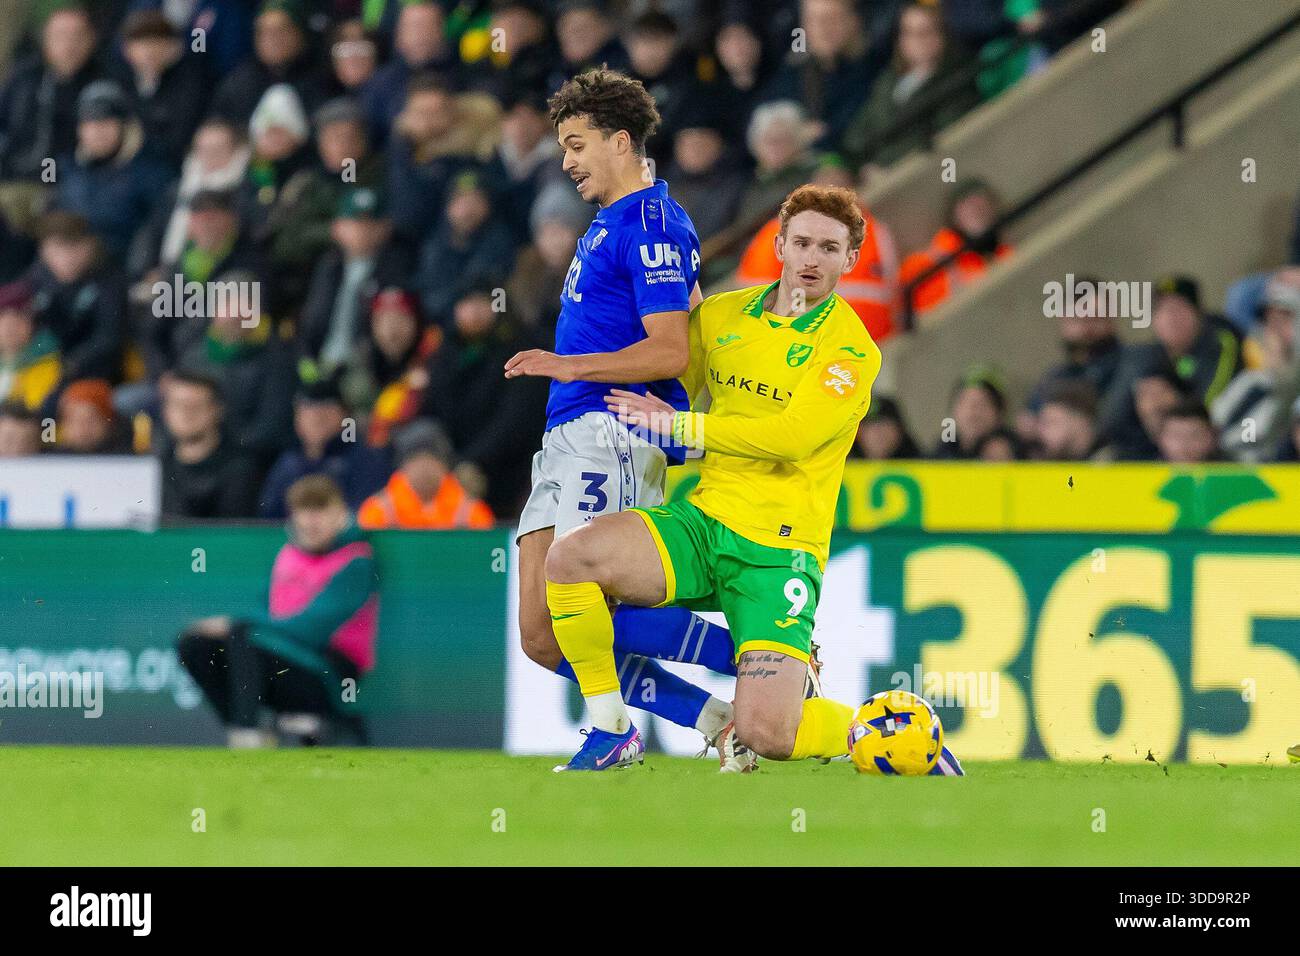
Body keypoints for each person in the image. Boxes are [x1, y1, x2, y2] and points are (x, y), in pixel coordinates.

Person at [543, 184, 888, 773]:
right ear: (777, 245)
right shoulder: (723, 318)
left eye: (828, 248)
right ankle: (612, 730)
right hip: (702, 525)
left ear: (849, 260)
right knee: (572, 562)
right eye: (800, 242)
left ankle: (869, 728)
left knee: (768, 735)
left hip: (778, 551)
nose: (811, 258)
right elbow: (664, 373)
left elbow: (791, 438)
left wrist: (685, 428)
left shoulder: (850, 350)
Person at [505, 68, 747, 758]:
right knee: (540, 634)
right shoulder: (616, 222)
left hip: (610, 429)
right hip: (566, 434)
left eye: (577, 144)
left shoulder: (653, 224)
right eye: (562, 147)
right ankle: (718, 720)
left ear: (619, 141)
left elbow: (669, 349)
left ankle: (758, 657)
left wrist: (571, 366)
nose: (567, 161)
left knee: (585, 601)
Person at [177, 474, 377, 748]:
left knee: (241, 633)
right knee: (196, 645)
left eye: (320, 510)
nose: (311, 521)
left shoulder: (356, 562)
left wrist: (239, 622)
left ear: (340, 513)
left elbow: (311, 629)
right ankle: (249, 728)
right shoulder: (287, 555)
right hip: (280, 663)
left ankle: (246, 734)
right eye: (303, 512)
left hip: (328, 674)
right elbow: (266, 610)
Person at [259, 378, 392, 519]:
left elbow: (366, 515)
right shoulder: (287, 463)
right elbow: (269, 517)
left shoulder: (365, 461)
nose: (316, 418)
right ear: (296, 419)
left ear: (345, 416)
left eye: (326, 410)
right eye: (307, 411)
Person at [158, 368, 263, 519]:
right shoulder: (157, 464)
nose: (186, 414)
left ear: (217, 410)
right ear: (165, 411)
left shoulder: (241, 469)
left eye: (195, 406)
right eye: (178, 404)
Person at [898, 178, 1012, 317]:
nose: (977, 210)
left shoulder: (1006, 256)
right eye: (970, 207)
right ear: (955, 217)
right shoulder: (921, 266)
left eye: (982, 207)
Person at [357, 418, 493, 529]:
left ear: (445, 465)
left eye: (432, 458)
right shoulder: (378, 511)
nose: (424, 467)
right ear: (402, 465)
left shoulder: (471, 512)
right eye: (415, 459)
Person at [0, 279, 61, 411]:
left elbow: (33, 413)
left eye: (17, 321)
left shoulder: (45, 362)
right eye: (3, 321)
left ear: (32, 323)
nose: (9, 329)